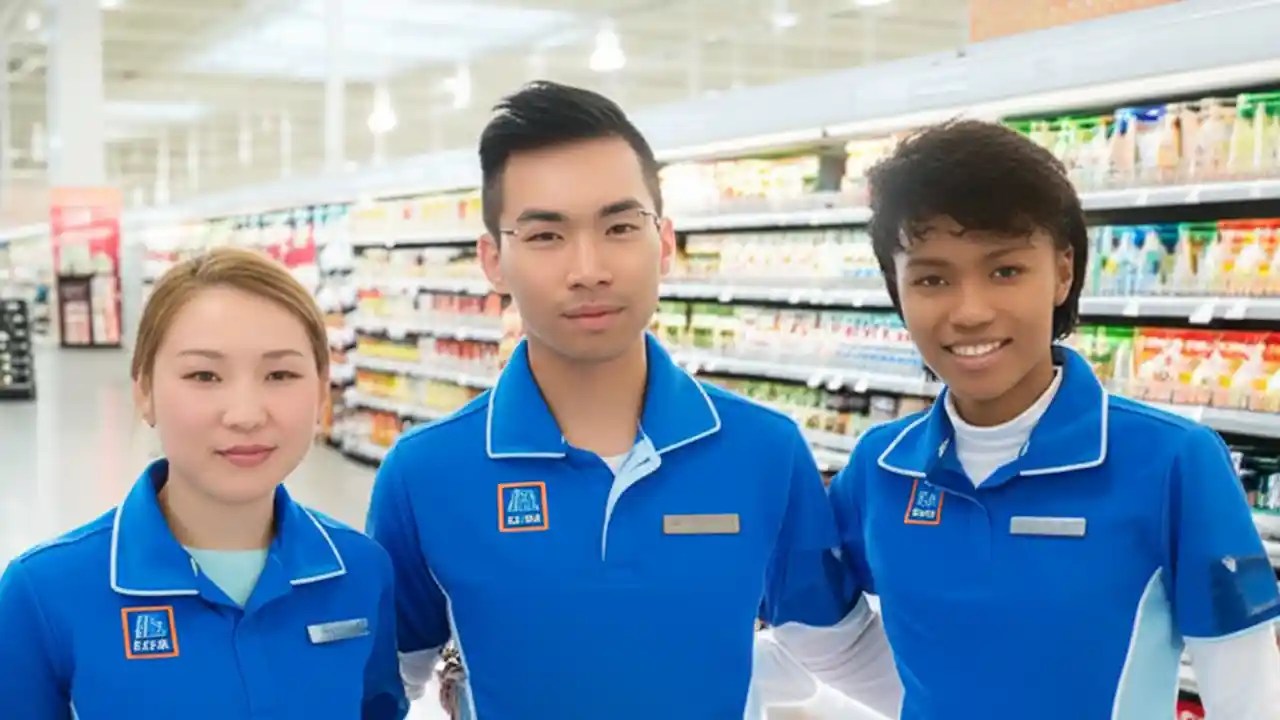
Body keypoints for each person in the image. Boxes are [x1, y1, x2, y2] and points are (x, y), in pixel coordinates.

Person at [365, 80, 901, 720]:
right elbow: (381, 684)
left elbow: (835, 643)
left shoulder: (763, 450)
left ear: (665, 243)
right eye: (545, 236)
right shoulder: (425, 475)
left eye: (620, 226)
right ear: (493, 261)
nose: (588, 267)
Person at [775, 119, 1280, 719]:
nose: (970, 311)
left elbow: (1248, 695)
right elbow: (820, 629)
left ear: (1063, 271)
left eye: (1005, 270)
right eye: (932, 278)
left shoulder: (1173, 461)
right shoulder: (881, 467)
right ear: (896, 288)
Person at [0, 248, 407, 719]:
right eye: (204, 375)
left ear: (320, 392)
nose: (246, 415)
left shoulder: (360, 571)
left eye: (280, 374)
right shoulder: (44, 593)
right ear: (145, 392)